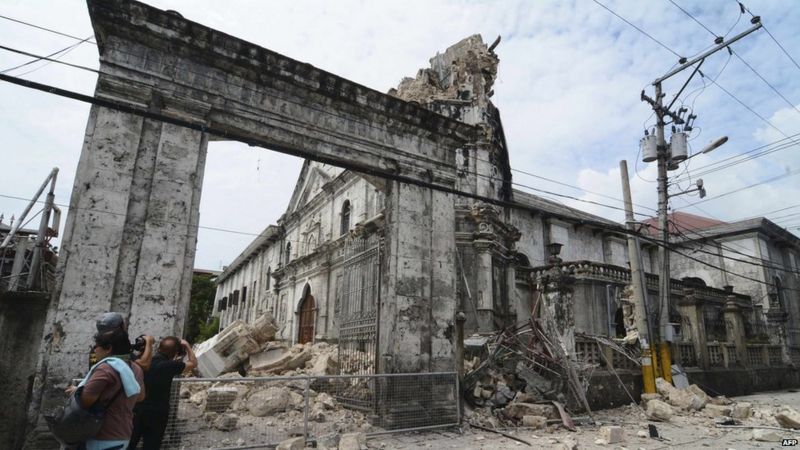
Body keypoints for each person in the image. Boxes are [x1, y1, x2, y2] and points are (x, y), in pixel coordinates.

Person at [68, 327, 147, 450]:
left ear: (109, 348)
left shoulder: (105, 370)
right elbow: (140, 396)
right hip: (123, 433)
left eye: (97, 346)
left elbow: (85, 401)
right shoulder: (135, 369)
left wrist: (78, 390)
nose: (95, 349)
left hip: (100, 434)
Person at [129, 337, 198, 449]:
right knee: (152, 445)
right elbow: (193, 363)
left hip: (138, 410)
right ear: (175, 352)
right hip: (158, 413)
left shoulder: (143, 362)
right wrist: (187, 346)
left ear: (159, 348)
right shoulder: (170, 366)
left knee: (130, 443)